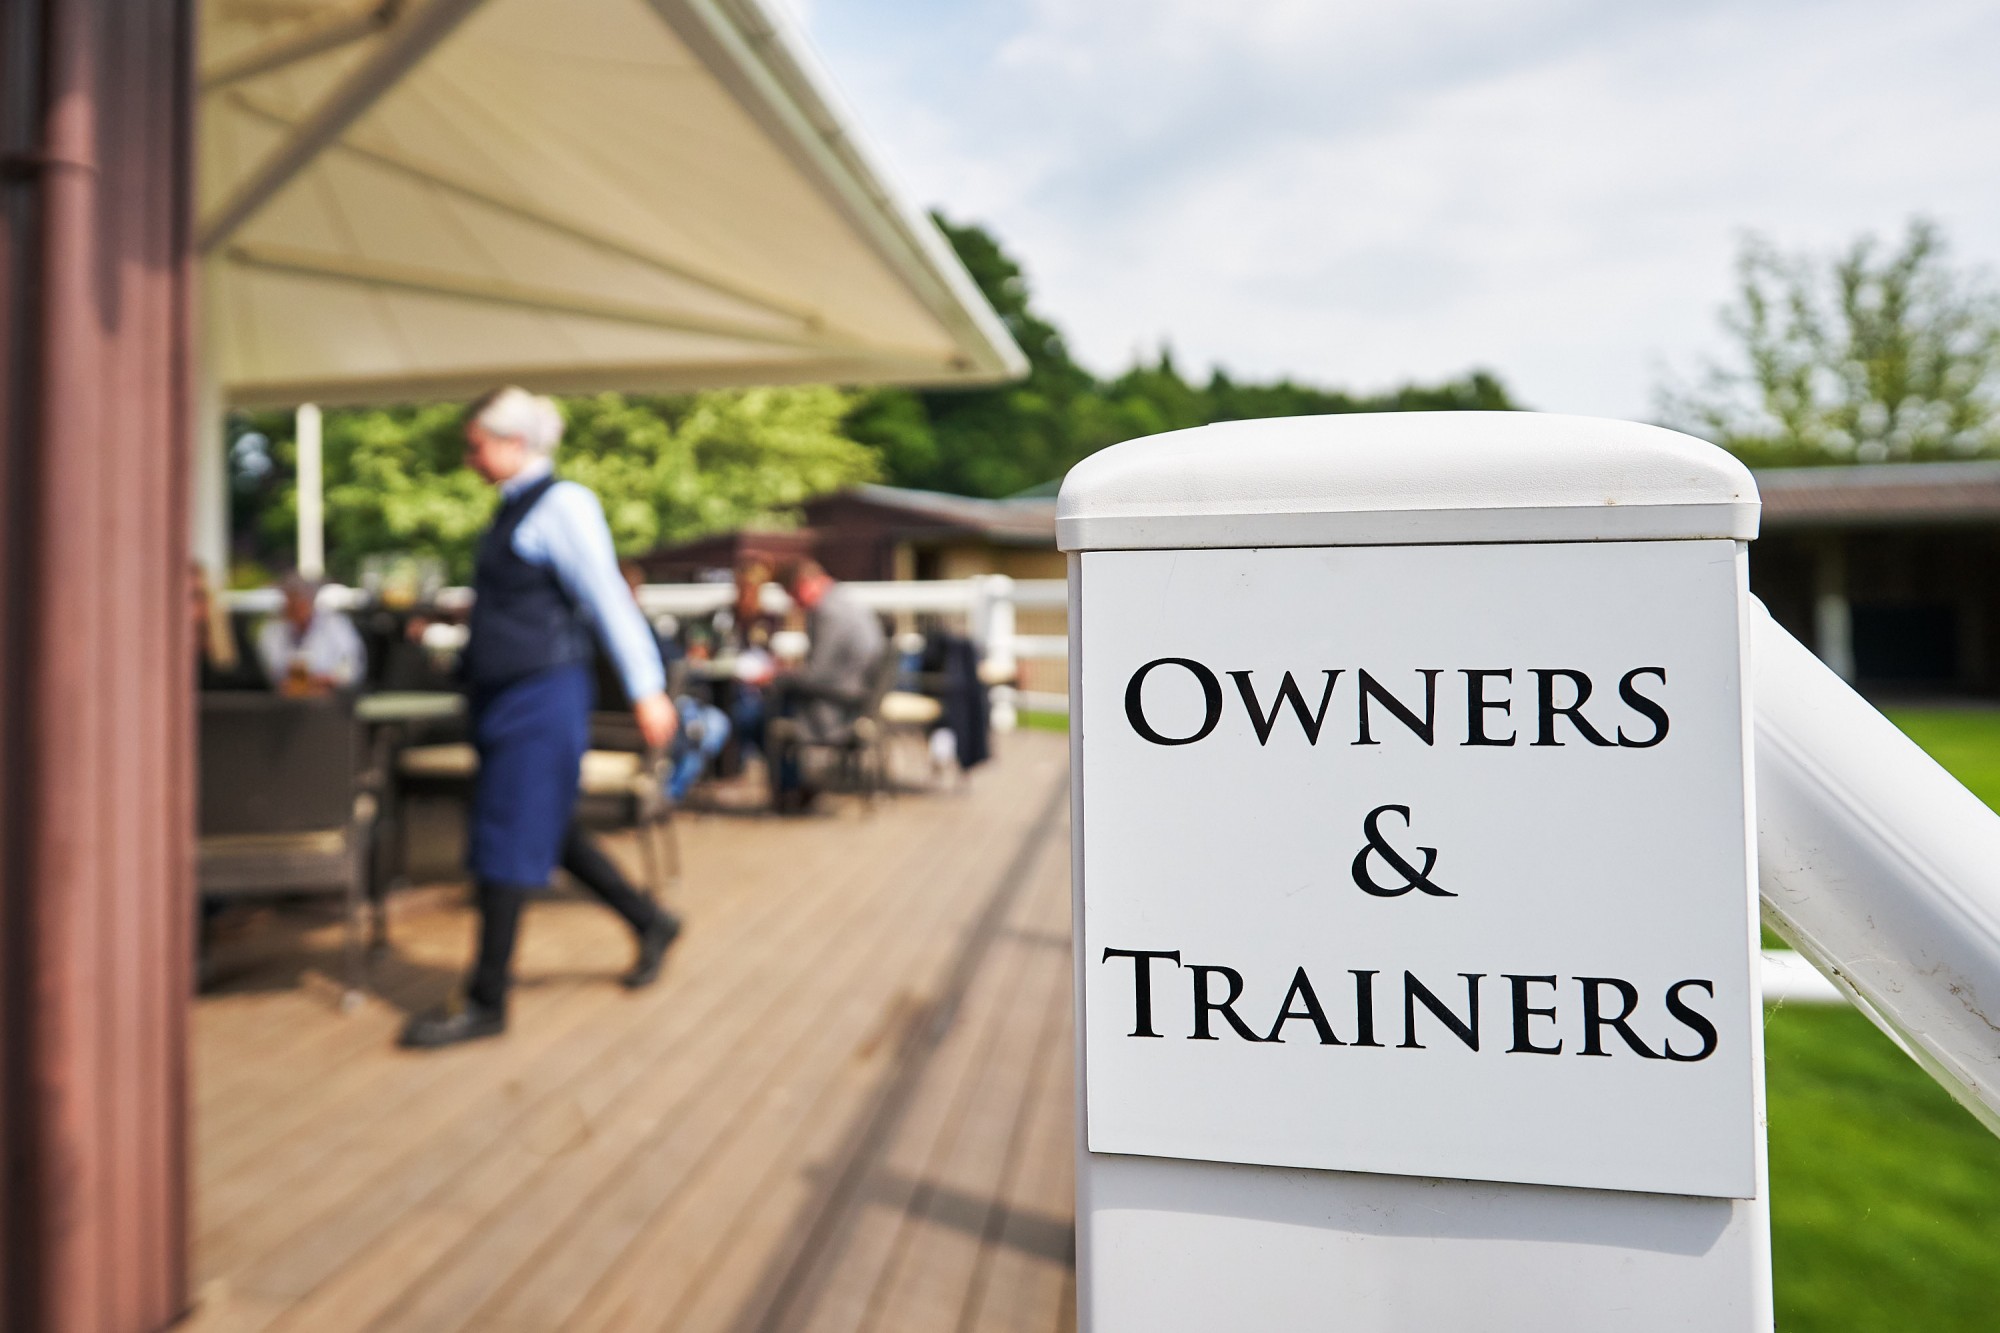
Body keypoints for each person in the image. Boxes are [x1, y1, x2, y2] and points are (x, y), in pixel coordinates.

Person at [401, 387, 681, 1050]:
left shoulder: (563, 504)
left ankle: (485, 999)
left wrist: (648, 687)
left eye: (474, 445)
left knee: (504, 836)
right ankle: (650, 920)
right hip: (509, 699)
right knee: (546, 832)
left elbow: (606, 595)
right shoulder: (511, 510)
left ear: (513, 443)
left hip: (540, 699)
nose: (468, 458)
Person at [768, 556, 886, 812]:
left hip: (841, 704)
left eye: (793, 596)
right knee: (780, 696)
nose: (795, 604)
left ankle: (793, 788)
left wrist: (777, 676)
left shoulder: (828, 611)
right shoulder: (844, 600)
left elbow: (815, 674)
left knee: (769, 708)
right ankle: (797, 785)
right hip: (858, 694)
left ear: (804, 585)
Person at [256, 572, 366, 696]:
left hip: (332, 698)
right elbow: (270, 670)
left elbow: (351, 666)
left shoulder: (335, 624)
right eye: (291, 599)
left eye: (299, 599)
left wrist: (327, 679)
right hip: (287, 699)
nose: (295, 606)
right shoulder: (273, 629)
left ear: (311, 599)